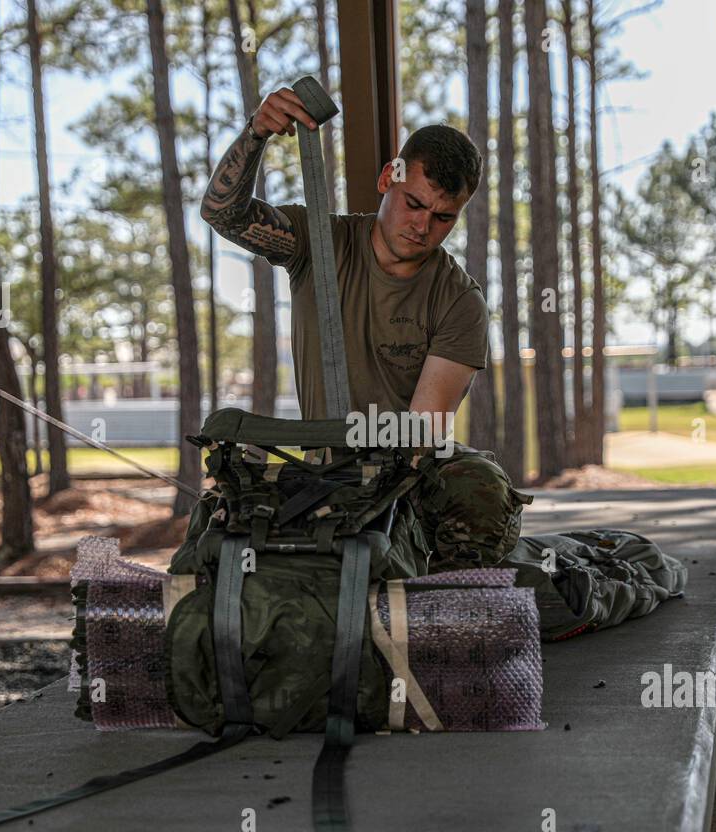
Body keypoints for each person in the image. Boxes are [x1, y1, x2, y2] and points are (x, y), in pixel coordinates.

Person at [199, 86, 529, 571]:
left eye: (443, 217)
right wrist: (257, 133)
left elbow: (422, 434)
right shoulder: (319, 243)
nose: (422, 226)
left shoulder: (460, 300)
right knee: (228, 514)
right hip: (321, 471)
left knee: (481, 487)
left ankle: (443, 607)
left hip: (405, 474)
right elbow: (223, 214)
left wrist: (369, 493)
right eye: (414, 203)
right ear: (387, 179)